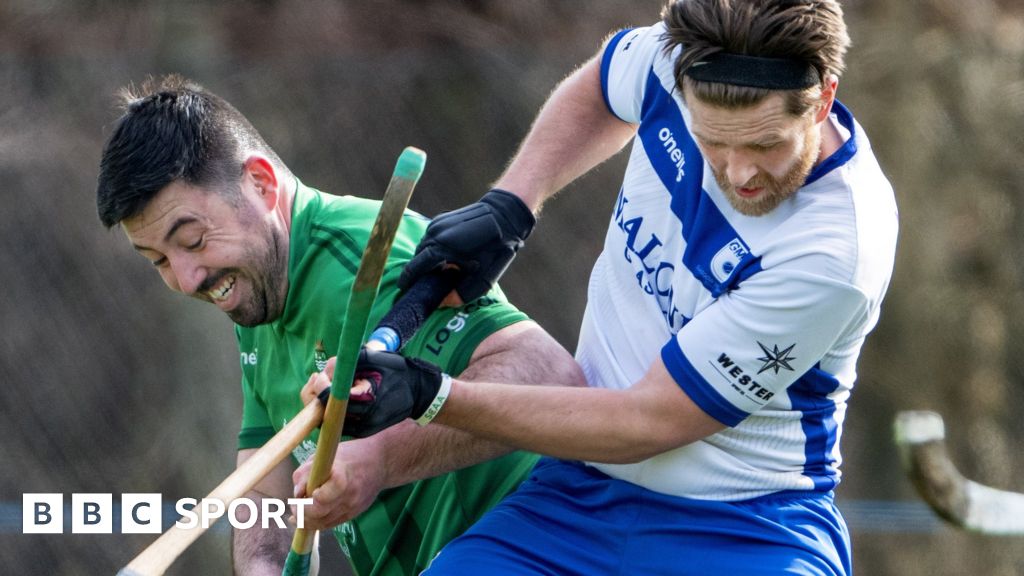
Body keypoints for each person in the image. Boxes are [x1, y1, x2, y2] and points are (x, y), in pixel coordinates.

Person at [324, 0, 899, 574]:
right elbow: (602, 85)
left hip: (749, 529)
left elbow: (646, 422)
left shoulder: (834, 252)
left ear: (823, 97)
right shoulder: (669, 59)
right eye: (712, 142)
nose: (739, 174)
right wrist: (513, 203)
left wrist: (432, 396)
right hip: (577, 494)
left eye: (766, 144)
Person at [94, 75, 584, 576]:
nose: (187, 277)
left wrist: (381, 459)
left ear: (260, 184)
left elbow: (550, 376)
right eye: (158, 260)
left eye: (193, 240)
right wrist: (263, 565)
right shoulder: (256, 294)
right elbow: (265, 481)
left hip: (536, 534)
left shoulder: (368, 257)